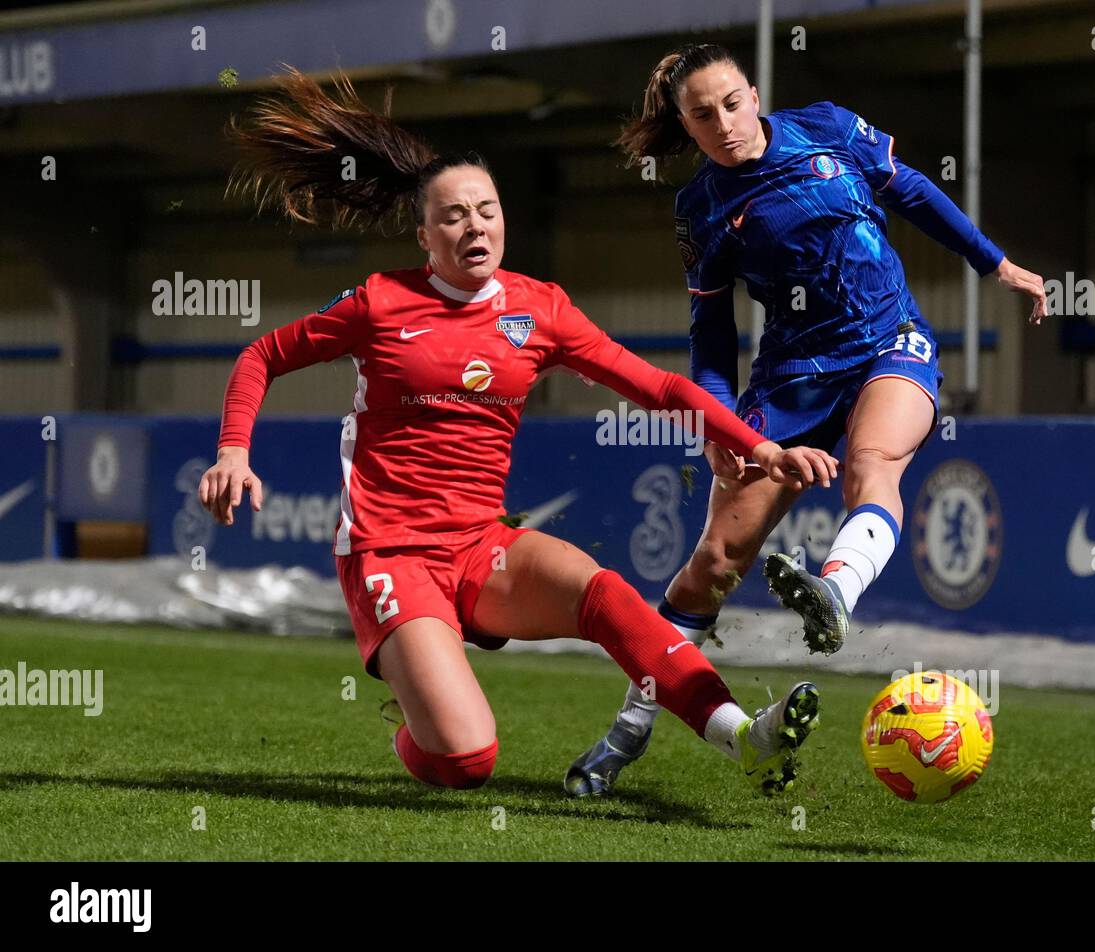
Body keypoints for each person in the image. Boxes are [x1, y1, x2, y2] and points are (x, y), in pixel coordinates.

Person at [197, 68, 839, 797]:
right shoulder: (379, 303)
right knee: (467, 763)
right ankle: (413, 716)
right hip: (392, 554)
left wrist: (756, 444)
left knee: (608, 597)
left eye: (488, 210)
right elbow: (264, 354)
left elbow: (656, 385)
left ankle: (741, 738)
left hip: (481, 546)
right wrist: (233, 451)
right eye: (454, 216)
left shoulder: (540, 309)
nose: (475, 226)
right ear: (424, 235)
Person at [566, 43, 1047, 797]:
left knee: (872, 467)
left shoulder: (827, 128)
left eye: (731, 102)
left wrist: (995, 263)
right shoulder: (700, 210)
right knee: (715, 562)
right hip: (790, 380)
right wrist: (721, 431)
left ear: (754, 93)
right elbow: (712, 338)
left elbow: (912, 190)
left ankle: (836, 593)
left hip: (890, 343)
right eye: (701, 115)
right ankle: (630, 725)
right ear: (685, 127)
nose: (723, 123)